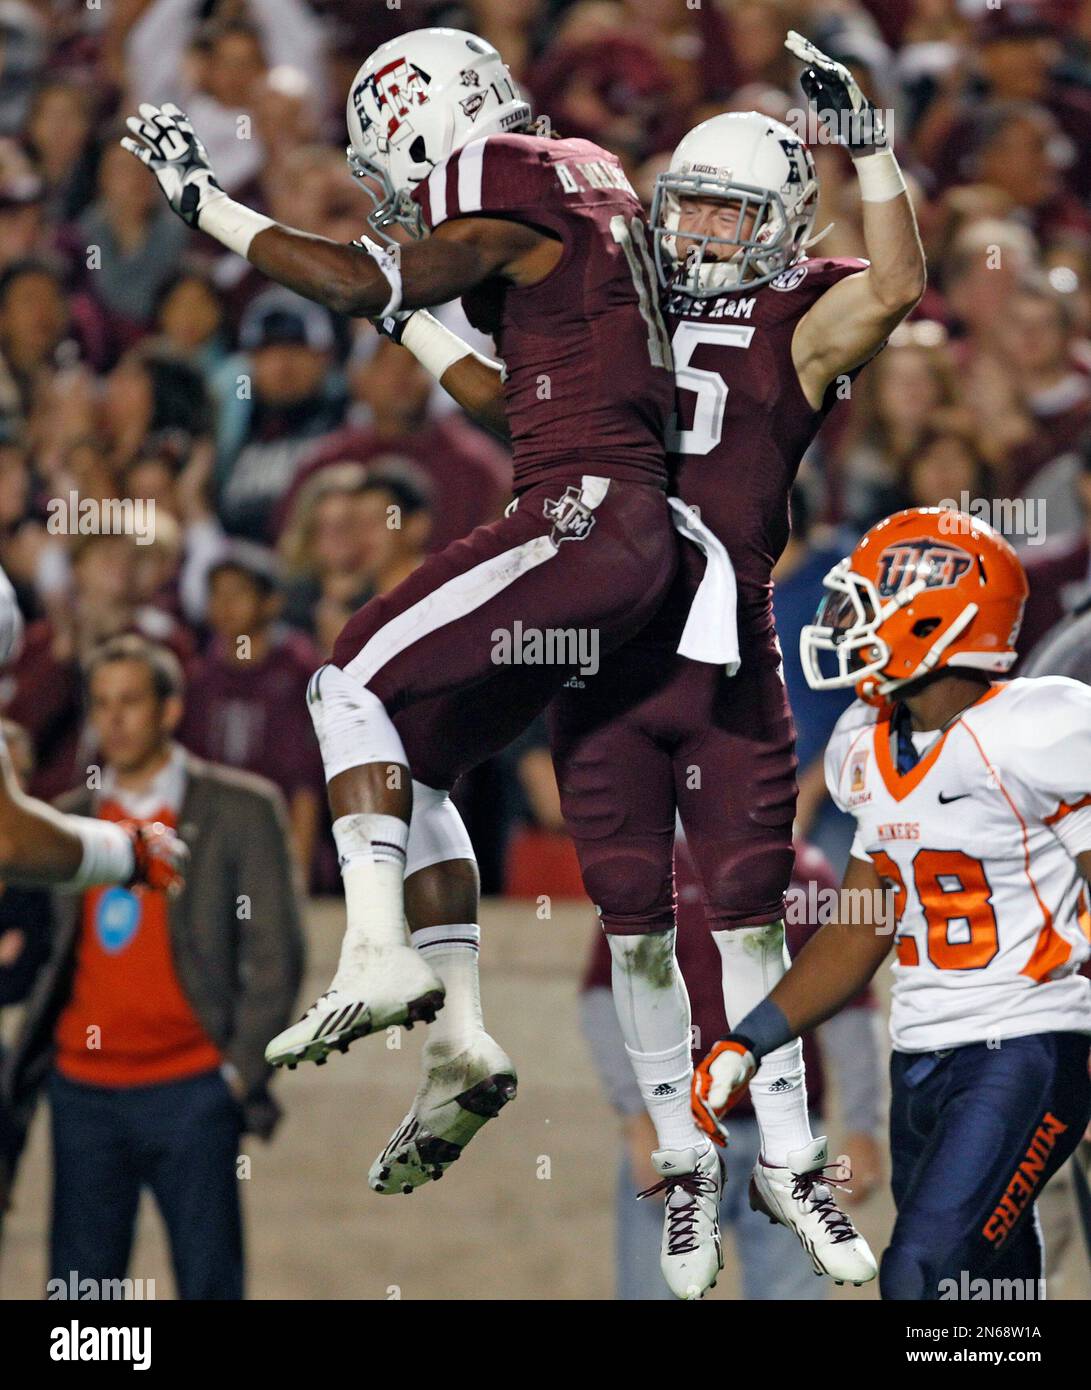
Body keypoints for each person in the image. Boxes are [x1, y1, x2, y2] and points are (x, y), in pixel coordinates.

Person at [374, 31, 922, 1296]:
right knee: (633, 931)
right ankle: (687, 1169)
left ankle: (784, 1156)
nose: (702, 234)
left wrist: (872, 149)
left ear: (782, 221)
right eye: (690, 208)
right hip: (607, 651)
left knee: (746, 920)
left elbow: (891, 284)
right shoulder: (617, 290)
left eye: (733, 214)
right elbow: (496, 389)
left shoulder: (800, 313)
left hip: (722, 645)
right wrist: (404, 309)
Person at [122, 26, 683, 1135]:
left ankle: (374, 950)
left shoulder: (506, 171)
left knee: (346, 684)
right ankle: (461, 1034)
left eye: (395, 162)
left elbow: (345, 277)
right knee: (410, 763)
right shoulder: (585, 185)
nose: (407, 192)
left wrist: (209, 207)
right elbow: (506, 403)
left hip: (583, 513)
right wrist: (409, 317)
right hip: (625, 526)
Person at [692, 509, 1091, 1300]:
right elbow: (860, 927)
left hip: (1028, 1044)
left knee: (921, 1275)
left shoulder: (1033, 728)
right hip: (918, 1055)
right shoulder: (860, 742)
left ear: (942, 618)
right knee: (991, 1299)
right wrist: (752, 1039)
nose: (847, 620)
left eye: (871, 600)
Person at [2, 634, 304, 1298]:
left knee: (208, 1283)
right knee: (82, 1298)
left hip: (191, 1090)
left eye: (130, 701)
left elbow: (277, 954)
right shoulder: (66, 820)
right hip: (82, 1092)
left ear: (170, 710)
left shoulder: (239, 808)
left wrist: (236, 1075)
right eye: (101, 703)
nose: (112, 719)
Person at [581, 837, 884, 1300]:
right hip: (678, 1130)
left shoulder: (809, 877)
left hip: (784, 1133)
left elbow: (847, 1007)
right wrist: (637, 1119)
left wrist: (864, 1127)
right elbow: (607, 996)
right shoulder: (663, 872)